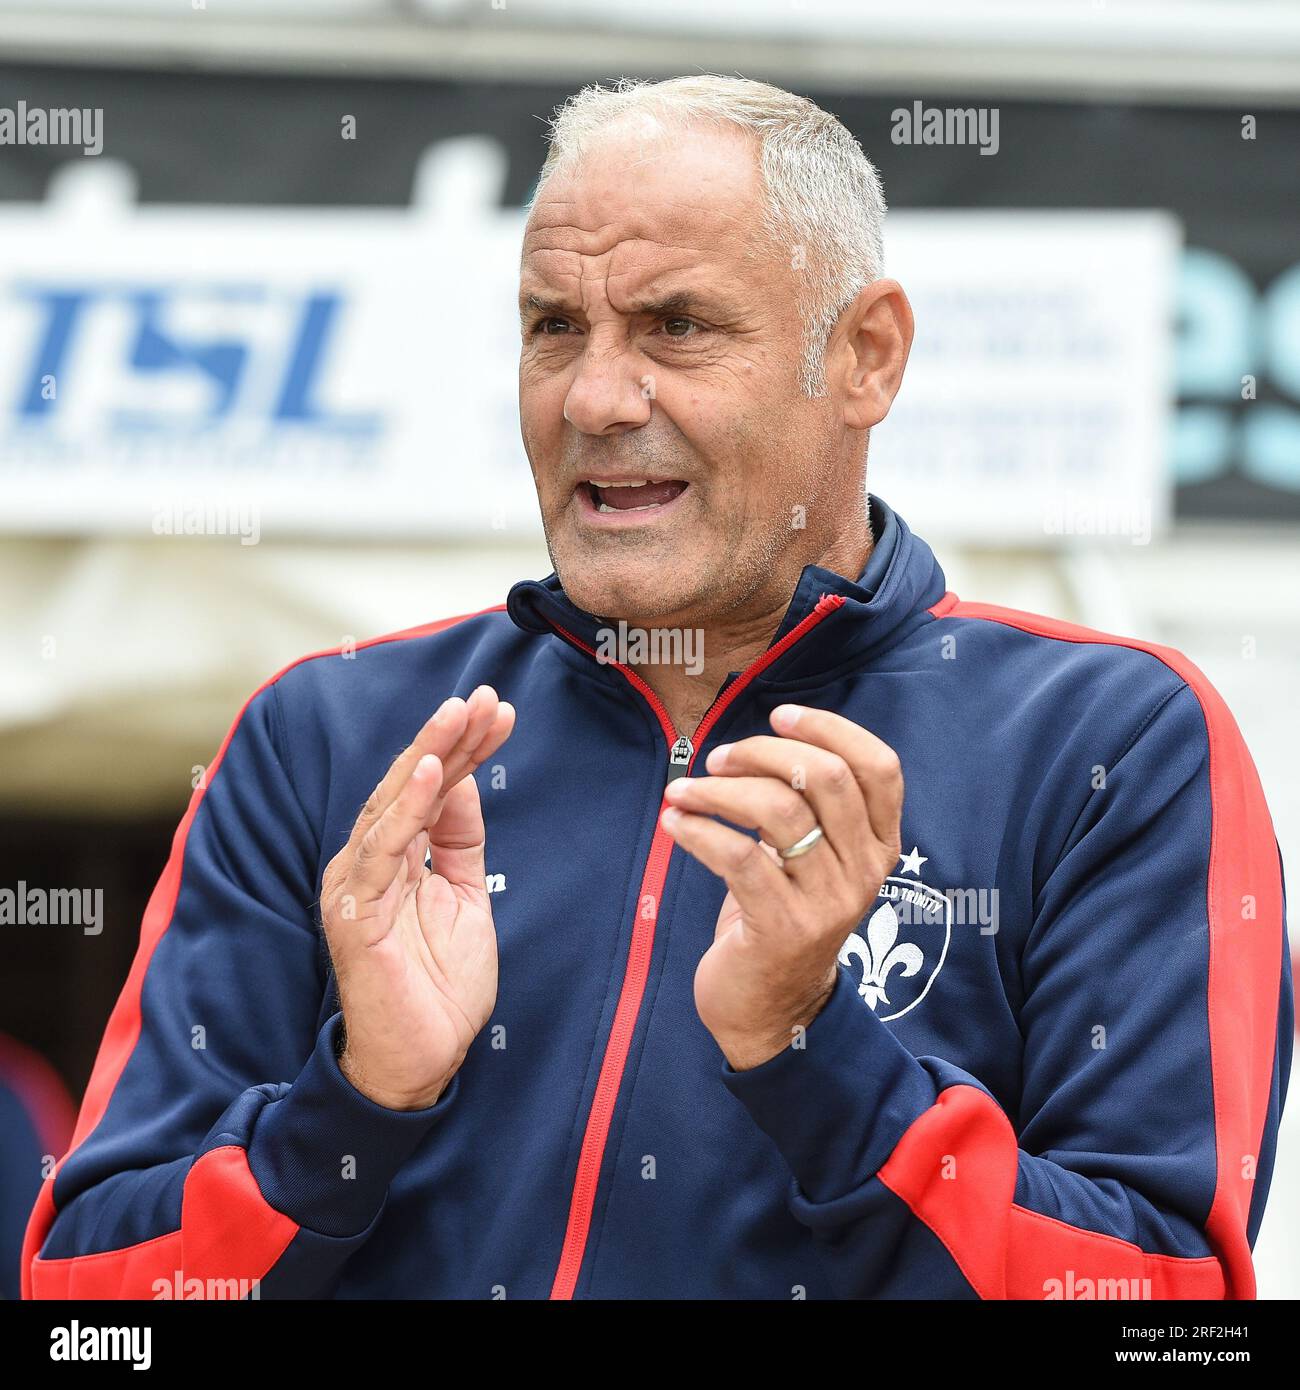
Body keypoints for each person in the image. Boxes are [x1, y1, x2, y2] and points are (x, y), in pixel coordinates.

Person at [24, 75, 1291, 1300]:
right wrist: (357, 1097)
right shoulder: (331, 729)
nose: (594, 396)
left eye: (677, 326)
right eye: (554, 327)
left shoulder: (1110, 738)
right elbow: (91, 1301)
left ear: (865, 355)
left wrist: (812, 1049)